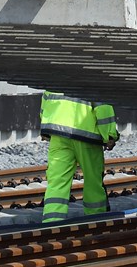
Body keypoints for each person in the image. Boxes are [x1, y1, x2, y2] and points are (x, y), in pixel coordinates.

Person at [39, 90, 119, 224]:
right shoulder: (91, 77)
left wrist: (46, 129)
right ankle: (96, 220)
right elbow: (103, 108)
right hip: (86, 137)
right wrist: (110, 135)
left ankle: (51, 222)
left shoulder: (54, 76)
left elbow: (46, 102)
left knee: (57, 182)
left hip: (58, 136)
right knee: (93, 180)